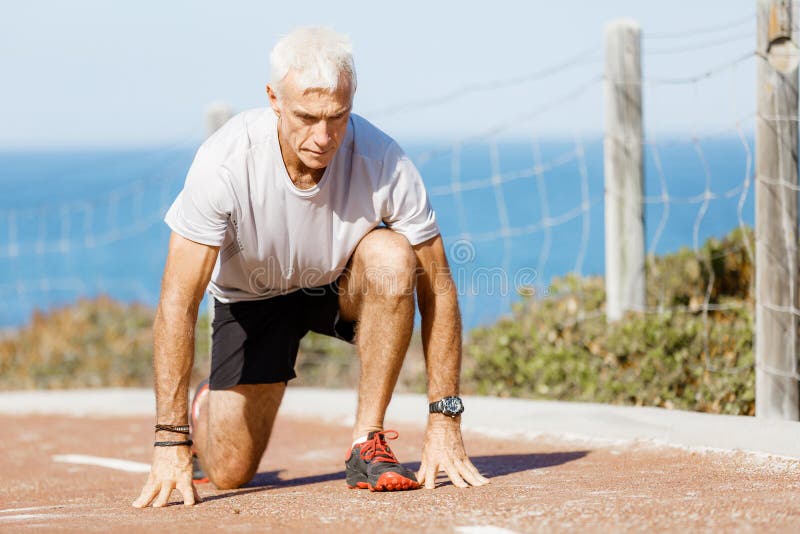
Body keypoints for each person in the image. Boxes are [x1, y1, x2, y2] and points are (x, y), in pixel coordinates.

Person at [132, 26, 489, 508]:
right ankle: (205, 406)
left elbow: (438, 288)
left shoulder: (384, 160)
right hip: (252, 298)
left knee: (393, 256)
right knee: (230, 472)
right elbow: (178, 302)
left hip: (333, 283)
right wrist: (171, 440)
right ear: (273, 99)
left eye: (337, 117)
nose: (323, 137)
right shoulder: (224, 163)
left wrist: (445, 419)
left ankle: (367, 442)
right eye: (306, 117)